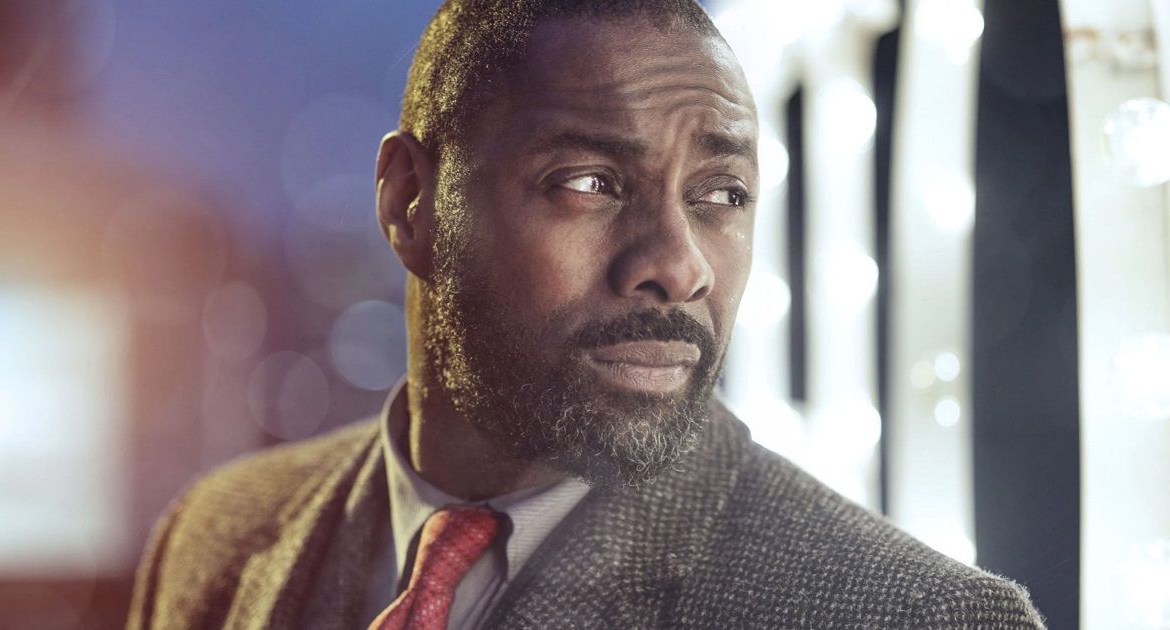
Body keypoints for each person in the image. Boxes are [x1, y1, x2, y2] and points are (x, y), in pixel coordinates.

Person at [127, 1, 1046, 628]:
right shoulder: (211, 537)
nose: (679, 267)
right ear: (410, 203)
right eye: (590, 183)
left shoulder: (923, 619)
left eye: (722, 194)